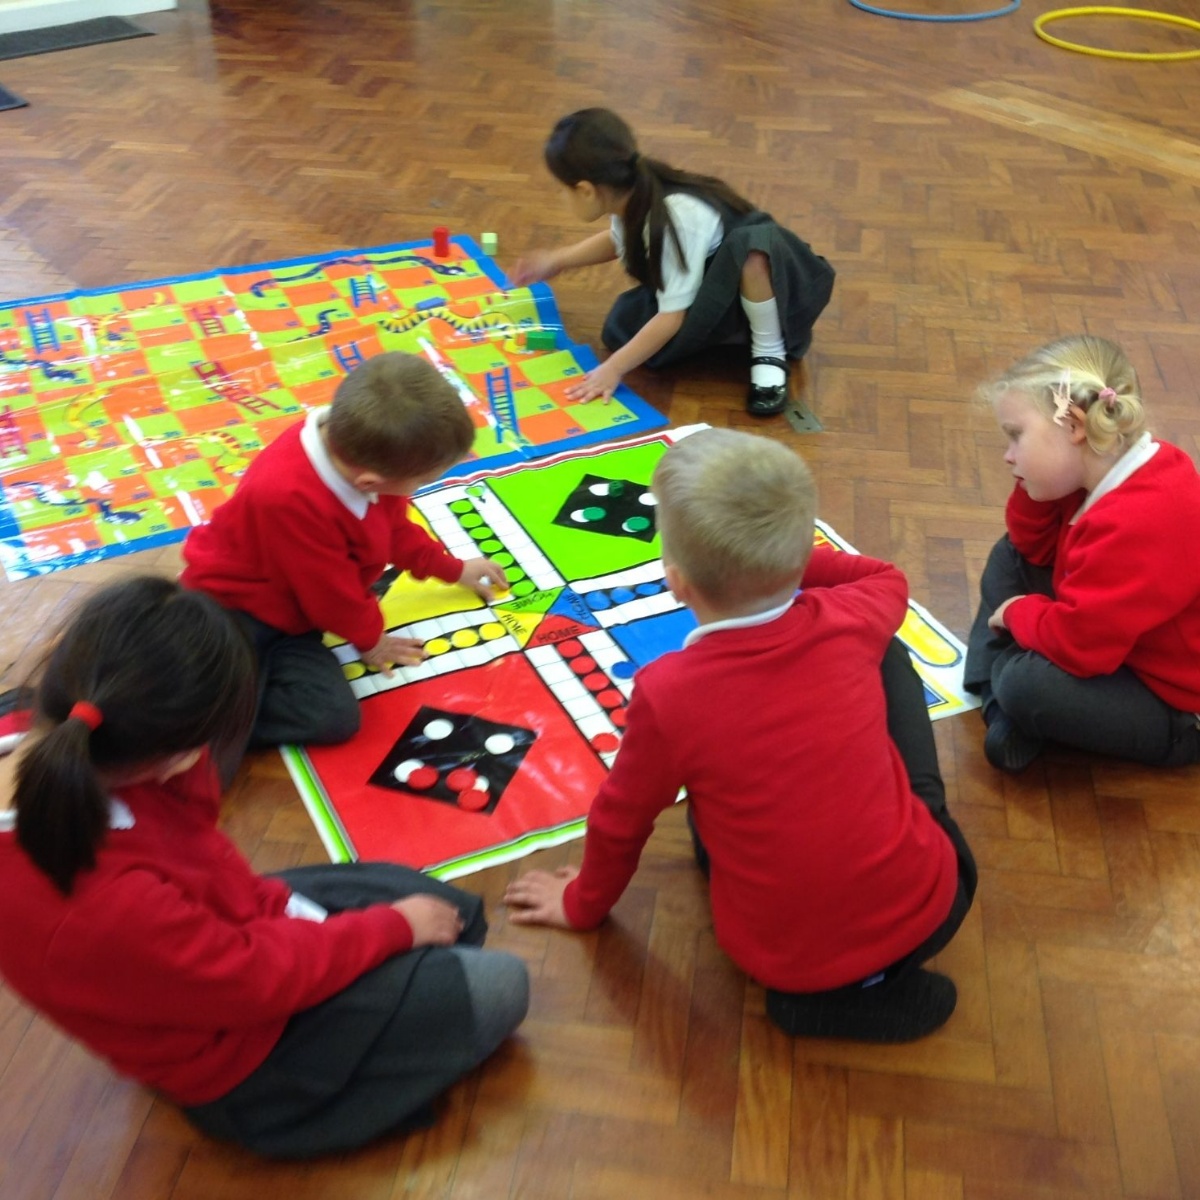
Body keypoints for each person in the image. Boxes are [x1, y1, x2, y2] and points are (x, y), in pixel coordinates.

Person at [0, 576, 529, 1159]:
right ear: (175, 752)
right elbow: (252, 977)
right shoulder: (109, 903)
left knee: (451, 913)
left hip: (228, 927)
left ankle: (400, 976)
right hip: (240, 1057)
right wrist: (393, 929)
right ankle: (313, 1099)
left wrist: (378, 927)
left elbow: (201, 854)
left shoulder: (96, 765)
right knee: (499, 985)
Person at [505, 429, 976, 1042]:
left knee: (718, 798)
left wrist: (583, 904)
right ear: (798, 550)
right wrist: (778, 556)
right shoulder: (854, 614)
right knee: (886, 658)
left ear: (676, 580)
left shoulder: (667, 690)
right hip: (936, 908)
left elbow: (622, 819)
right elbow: (886, 575)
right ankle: (859, 987)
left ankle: (835, 997)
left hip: (781, 960)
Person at [182, 351, 508, 749]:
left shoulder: (356, 451)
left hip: (295, 616)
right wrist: (372, 640)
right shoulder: (287, 497)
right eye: (422, 481)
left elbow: (393, 529)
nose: (419, 488)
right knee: (198, 695)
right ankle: (198, 723)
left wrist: (452, 568)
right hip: (230, 609)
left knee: (330, 716)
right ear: (369, 482)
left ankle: (228, 693)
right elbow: (331, 595)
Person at [964, 334, 1200, 773]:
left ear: (1074, 426)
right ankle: (1004, 704)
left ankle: (1001, 701)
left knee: (1026, 685)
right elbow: (1031, 548)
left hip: (1174, 707)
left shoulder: (1140, 517)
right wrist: (1035, 483)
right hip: (1118, 644)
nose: (1007, 455)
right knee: (1010, 555)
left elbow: (1080, 648)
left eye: (1016, 437)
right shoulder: (1102, 469)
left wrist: (1018, 613)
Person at [510, 108, 835, 418]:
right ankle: (728, 334)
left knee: (750, 252)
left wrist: (613, 369)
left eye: (562, 190)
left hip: (774, 284)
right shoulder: (631, 194)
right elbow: (617, 241)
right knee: (622, 328)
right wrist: (559, 260)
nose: (561, 198)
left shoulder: (673, 220)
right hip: (712, 284)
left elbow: (670, 319)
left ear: (585, 190)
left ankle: (769, 349)